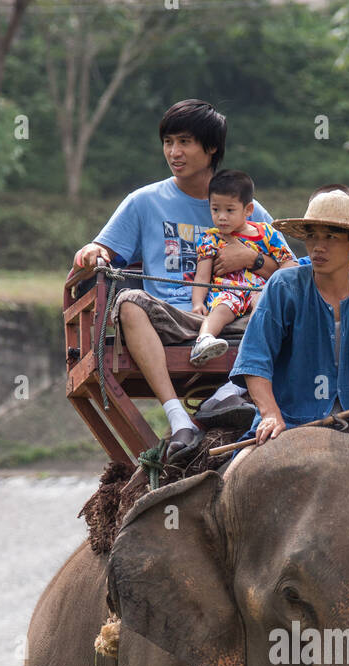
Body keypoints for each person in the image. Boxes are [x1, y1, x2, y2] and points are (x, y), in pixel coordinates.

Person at [71, 100, 279, 465]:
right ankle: (178, 418)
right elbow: (99, 250)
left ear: (211, 147)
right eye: (168, 142)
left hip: (239, 318)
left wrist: (254, 259)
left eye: (184, 142)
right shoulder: (144, 202)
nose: (174, 152)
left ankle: (234, 389)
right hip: (174, 316)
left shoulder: (245, 206)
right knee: (130, 303)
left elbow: (288, 272)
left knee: (278, 301)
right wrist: (91, 251)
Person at [227, 189, 349, 467]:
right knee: (230, 482)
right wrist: (272, 415)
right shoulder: (283, 286)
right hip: (292, 423)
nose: (317, 246)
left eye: (330, 237)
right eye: (312, 236)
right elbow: (254, 361)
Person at [190, 169, 295, 364]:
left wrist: (270, 287)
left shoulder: (266, 233)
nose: (221, 217)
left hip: (258, 289)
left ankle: (257, 344)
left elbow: (289, 263)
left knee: (264, 304)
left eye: (229, 210)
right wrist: (197, 303)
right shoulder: (210, 239)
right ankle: (203, 340)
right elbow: (202, 276)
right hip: (228, 290)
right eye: (215, 210)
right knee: (221, 308)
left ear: (248, 210)